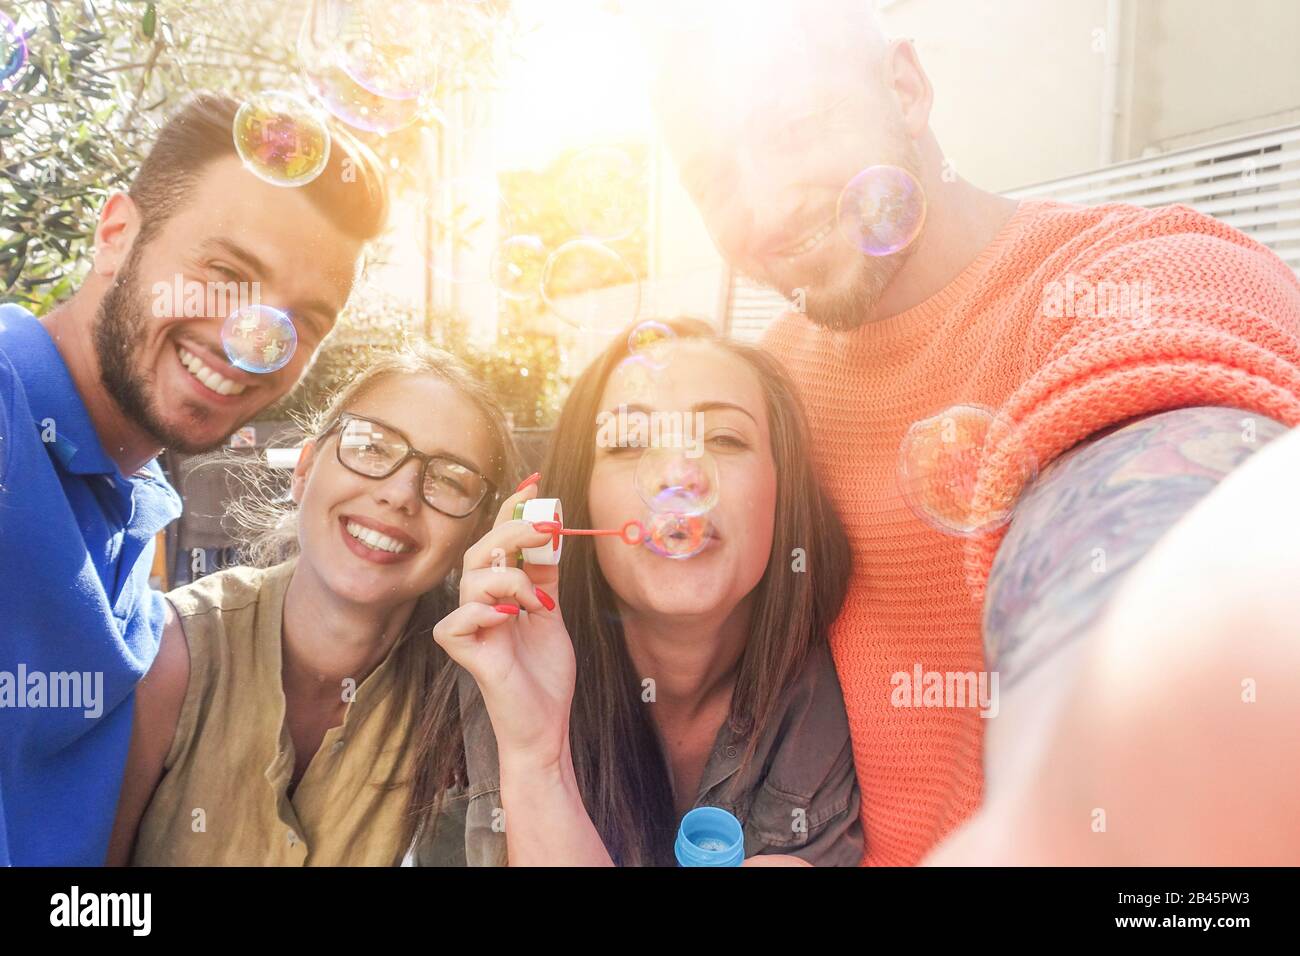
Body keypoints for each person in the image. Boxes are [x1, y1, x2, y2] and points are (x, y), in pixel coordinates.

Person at [647, 1, 1300, 864]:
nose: (762, 210)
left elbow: (1149, 500)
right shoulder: (763, 394)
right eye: (712, 179)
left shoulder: (1150, 276)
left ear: (906, 87)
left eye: (796, 126)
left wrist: (1099, 778)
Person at [0, 93, 387, 865]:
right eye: (225, 274)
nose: (255, 344)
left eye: (301, 321)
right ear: (116, 235)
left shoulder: (131, 516)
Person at [412, 318, 864, 866]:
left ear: (782, 491)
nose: (677, 475)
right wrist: (538, 757)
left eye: (723, 438)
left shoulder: (828, 694)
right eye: (628, 443)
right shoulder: (509, 655)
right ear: (579, 501)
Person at [106, 345, 519, 866]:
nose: (400, 494)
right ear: (304, 471)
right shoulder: (171, 651)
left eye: (449, 479)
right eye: (372, 447)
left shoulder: (479, 696)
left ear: (476, 534)